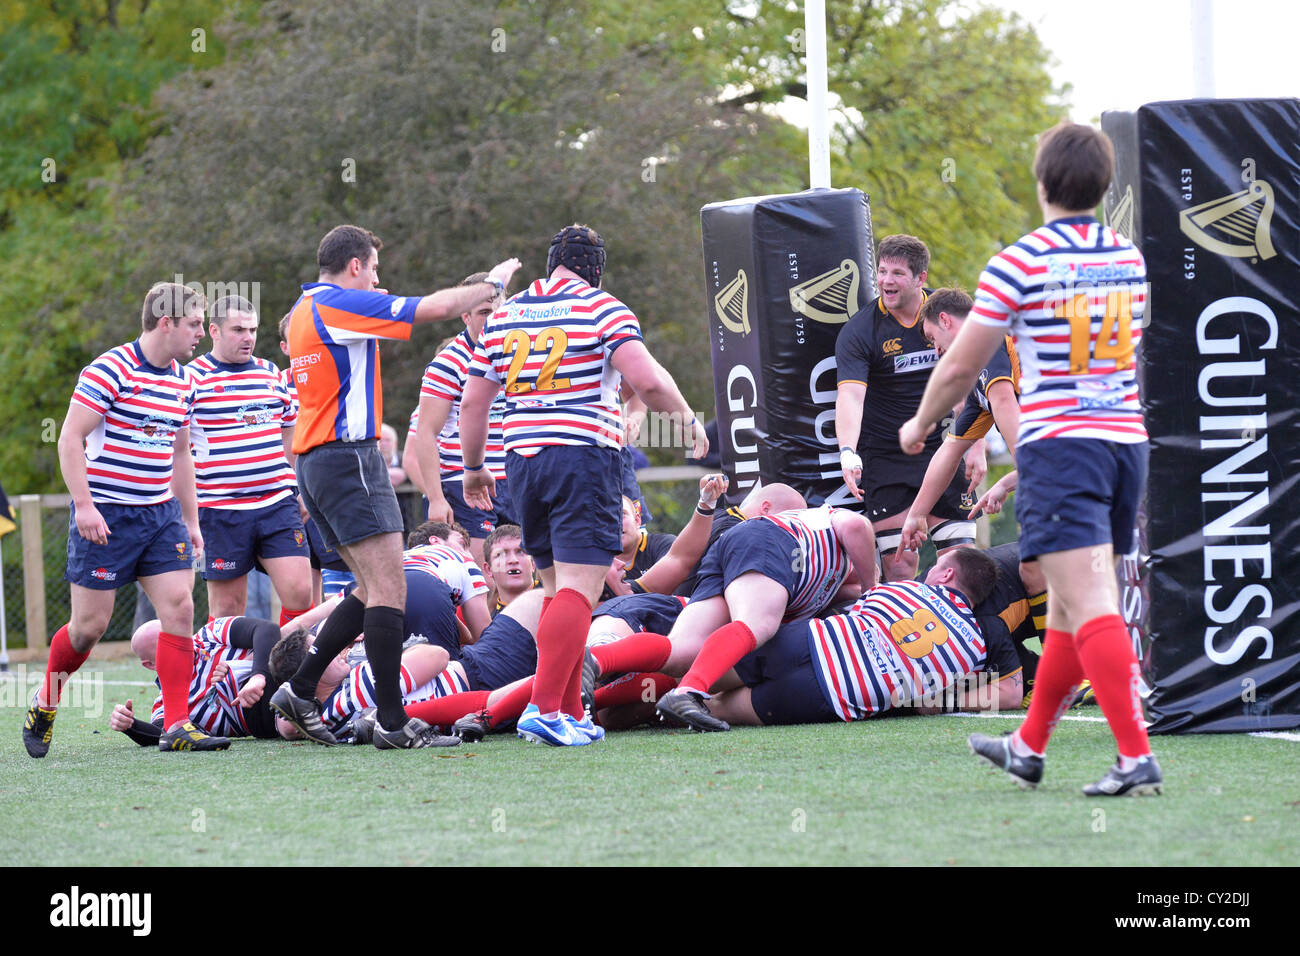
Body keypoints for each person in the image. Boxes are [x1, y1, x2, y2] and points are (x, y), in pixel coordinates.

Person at [899, 121, 1159, 796]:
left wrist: (920, 421)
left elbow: (961, 366)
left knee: (1090, 597)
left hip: (1065, 449)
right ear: (1103, 187)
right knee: (1071, 606)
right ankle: (1029, 746)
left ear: (1042, 183)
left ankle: (1135, 755)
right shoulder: (1128, 257)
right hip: (1124, 444)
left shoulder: (1020, 262)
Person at [268, 223, 519, 750]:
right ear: (355, 265)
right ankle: (390, 720)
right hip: (349, 460)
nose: (379, 280)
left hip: (316, 464)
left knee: (367, 589)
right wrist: (491, 287)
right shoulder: (337, 305)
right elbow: (431, 308)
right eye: (374, 269)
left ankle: (302, 687)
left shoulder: (305, 311)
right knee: (390, 590)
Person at [459, 223, 708, 746]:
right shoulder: (603, 306)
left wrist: (473, 465)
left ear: (552, 264)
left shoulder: (505, 315)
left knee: (554, 590)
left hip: (521, 463)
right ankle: (545, 709)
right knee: (580, 589)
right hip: (581, 460)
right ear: (596, 268)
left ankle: (570, 708)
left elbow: (475, 400)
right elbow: (648, 381)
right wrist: (686, 419)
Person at [24, 281, 225, 756]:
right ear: (166, 322)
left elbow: (181, 453)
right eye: (194, 324)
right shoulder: (109, 369)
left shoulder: (185, 380)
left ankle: (177, 725)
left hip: (160, 516)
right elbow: (69, 439)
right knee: (88, 627)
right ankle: (46, 700)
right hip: (106, 515)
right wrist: (86, 505)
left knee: (179, 608)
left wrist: (191, 521)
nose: (200, 333)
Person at [693, 548, 1017, 728]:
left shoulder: (907, 587)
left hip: (809, 641)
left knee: (694, 680)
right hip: (828, 695)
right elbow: (1003, 695)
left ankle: (664, 689)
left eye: (936, 566)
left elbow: (854, 607)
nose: (929, 572)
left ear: (947, 575)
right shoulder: (975, 648)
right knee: (712, 710)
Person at [834, 235, 983, 581]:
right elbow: (851, 397)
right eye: (882, 271)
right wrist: (846, 451)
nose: (886, 280)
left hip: (943, 448)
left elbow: (968, 381)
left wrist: (975, 444)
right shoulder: (860, 331)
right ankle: (907, 633)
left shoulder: (948, 318)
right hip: (886, 456)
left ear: (921, 279)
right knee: (899, 564)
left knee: (960, 563)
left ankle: (962, 634)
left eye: (898, 273)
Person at [652, 505, 879, 731]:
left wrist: (858, 592)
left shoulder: (822, 574)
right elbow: (856, 525)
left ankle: (622, 669)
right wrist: (872, 590)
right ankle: (688, 691)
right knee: (755, 625)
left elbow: (840, 589)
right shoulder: (828, 524)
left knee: (681, 651)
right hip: (769, 541)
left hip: (742, 544)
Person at [187, 295, 312, 623]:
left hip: (277, 505)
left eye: (253, 330)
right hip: (220, 511)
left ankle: (287, 670)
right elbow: (175, 447)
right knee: (228, 609)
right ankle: (227, 672)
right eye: (238, 329)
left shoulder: (271, 373)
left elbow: (290, 431)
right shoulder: (190, 379)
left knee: (300, 593)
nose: (248, 337)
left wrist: (298, 487)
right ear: (214, 330)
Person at [898, 288, 1020, 552]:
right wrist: (916, 515)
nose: (936, 349)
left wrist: (1027, 475)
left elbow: (1004, 401)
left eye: (932, 337)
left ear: (945, 320)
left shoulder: (988, 337)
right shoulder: (977, 392)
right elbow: (949, 452)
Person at [413, 273, 516, 563]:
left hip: (516, 479)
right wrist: (435, 497)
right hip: (464, 483)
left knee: (525, 575)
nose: (492, 319)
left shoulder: (518, 353)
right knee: (482, 575)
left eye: (498, 312)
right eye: (484, 312)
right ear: (465, 316)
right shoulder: (448, 363)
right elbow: (425, 433)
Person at [481, 524, 537, 615]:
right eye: (501, 555)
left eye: (521, 552)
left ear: (533, 563)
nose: (513, 560)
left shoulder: (557, 597)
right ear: (489, 569)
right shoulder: (494, 627)